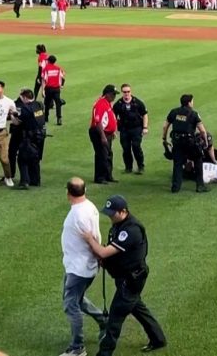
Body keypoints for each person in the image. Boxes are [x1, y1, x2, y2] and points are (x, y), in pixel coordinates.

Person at [81, 195, 167, 356]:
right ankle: (158, 339)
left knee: (115, 318)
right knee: (137, 308)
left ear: (123, 211)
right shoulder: (118, 225)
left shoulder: (131, 230)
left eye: (113, 213)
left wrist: (89, 239)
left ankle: (104, 353)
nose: (110, 216)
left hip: (131, 280)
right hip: (125, 278)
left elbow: (103, 251)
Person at [60, 177, 106, 356]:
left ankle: (77, 347)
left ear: (68, 193)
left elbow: (91, 239)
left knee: (71, 305)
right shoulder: (89, 206)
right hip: (79, 265)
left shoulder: (78, 214)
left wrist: (98, 257)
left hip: (79, 268)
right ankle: (104, 320)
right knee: (76, 299)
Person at [162, 94, 209, 193]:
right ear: (189, 103)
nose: (193, 103)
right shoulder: (193, 114)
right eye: (192, 101)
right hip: (189, 142)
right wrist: (205, 141)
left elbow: (165, 126)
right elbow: (203, 131)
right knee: (198, 159)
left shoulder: (174, 112)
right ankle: (200, 185)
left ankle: (175, 187)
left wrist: (164, 138)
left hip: (177, 141)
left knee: (177, 164)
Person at [12, 90, 46, 189]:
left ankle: (24, 182)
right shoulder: (38, 105)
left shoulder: (25, 108)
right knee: (35, 158)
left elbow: (17, 122)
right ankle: (35, 180)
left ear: (25, 98)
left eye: (22, 98)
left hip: (29, 137)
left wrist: (12, 114)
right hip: (40, 136)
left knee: (22, 159)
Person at [112, 84, 148, 175]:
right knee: (126, 148)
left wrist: (145, 127)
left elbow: (144, 114)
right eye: (124, 92)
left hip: (136, 128)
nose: (127, 94)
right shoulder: (118, 104)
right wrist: (113, 130)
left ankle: (140, 166)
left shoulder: (137, 102)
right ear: (122, 93)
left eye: (128, 92)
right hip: (124, 129)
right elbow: (113, 117)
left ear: (131, 92)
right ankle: (128, 167)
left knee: (136, 147)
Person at [89, 85, 119, 184]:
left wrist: (112, 131)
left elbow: (108, 118)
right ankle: (99, 178)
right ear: (107, 94)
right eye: (113, 94)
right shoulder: (101, 104)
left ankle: (108, 175)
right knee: (102, 155)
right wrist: (102, 136)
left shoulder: (107, 102)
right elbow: (98, 122)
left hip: (107, 133)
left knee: (108, 154)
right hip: (99, 133)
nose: (115, 96)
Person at [42, 55, 65, 125]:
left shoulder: (45, 69)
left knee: (47, 103)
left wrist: (42, 90)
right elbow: (63, 77)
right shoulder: (58, 68)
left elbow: (44, 79)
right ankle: (59, 118)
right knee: (58, 103)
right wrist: (62, 85)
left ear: (48, 61)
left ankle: (46, 117)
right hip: (56, 89)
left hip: (48, 89)